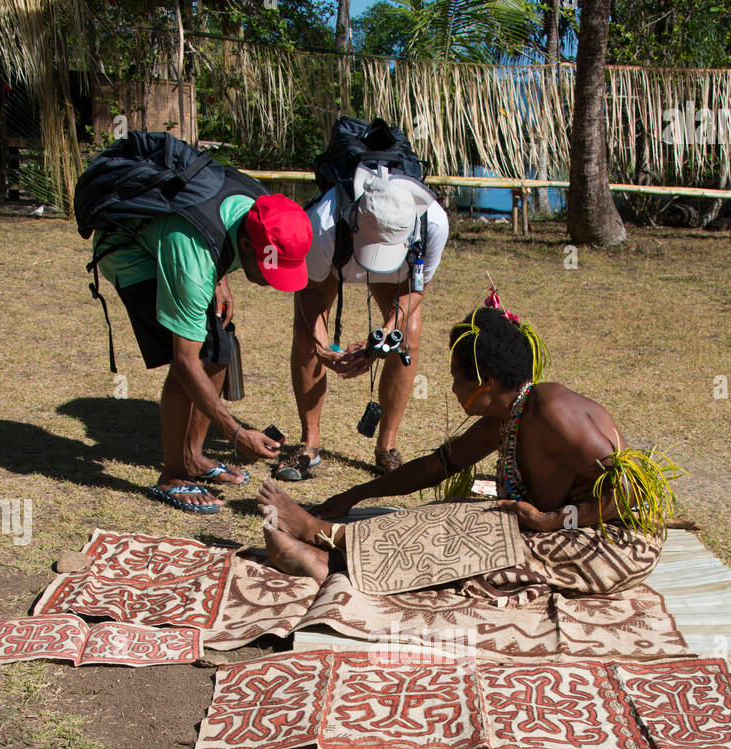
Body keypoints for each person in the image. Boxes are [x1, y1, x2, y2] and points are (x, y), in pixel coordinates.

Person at [255, 301, 681, 591]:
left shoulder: (554, 413)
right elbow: (439, 465)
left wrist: (552, 520)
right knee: (445, 517)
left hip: (605, 540)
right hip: (551, 524)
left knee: (472, 545)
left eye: (459, 377)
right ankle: (330, 541)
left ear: (487, 383)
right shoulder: (509, 415)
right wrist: (352, 495)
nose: (453, 387)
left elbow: (629, 494)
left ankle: (322, 552)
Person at [96, 189, 313, 514]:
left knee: (217, 344)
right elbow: (185, 363)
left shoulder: (261, 206)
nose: (272, 283)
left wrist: (219, 275)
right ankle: (172, 475)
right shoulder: (194, 264)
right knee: (192, 356)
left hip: (184, 243)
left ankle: (193, 457)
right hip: (130, 251)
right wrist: (235, 432)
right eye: (271, 270)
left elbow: (214, 224)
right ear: (244, 245)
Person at [284, 167, 449, 481]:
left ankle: (387, 447)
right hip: (335, 261)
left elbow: (416, 288)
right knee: (306, 334)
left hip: (400, 272)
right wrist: (321, 346)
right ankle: (309, 443)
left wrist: (384, 336)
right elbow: (311, 288)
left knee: (407, 337)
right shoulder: (324, 223)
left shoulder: (434, 223)